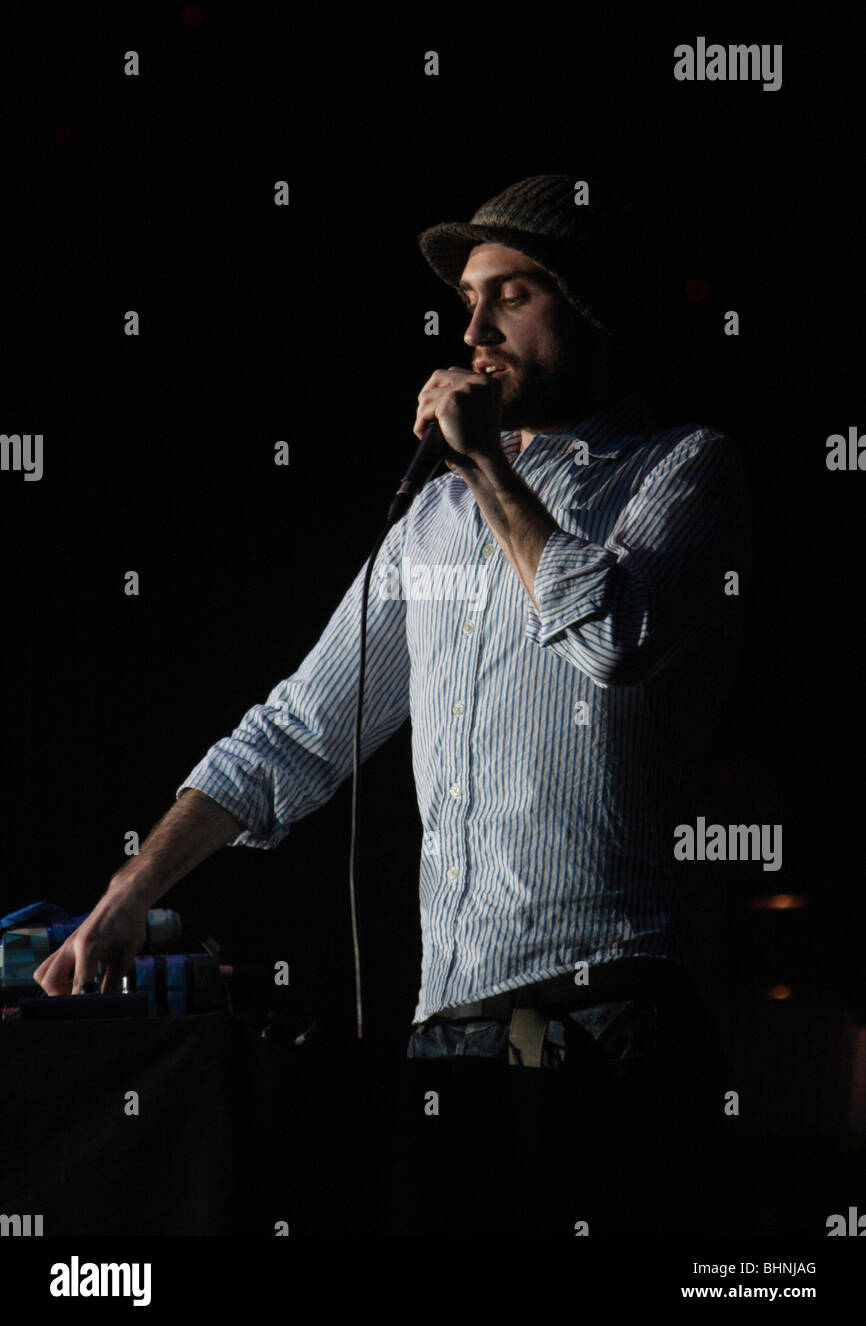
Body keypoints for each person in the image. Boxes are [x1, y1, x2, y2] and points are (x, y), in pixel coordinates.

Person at [35, 174, 751, 1236]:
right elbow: (293, 731)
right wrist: (130, 891)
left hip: (612, 1016)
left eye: (510, 293)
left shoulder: (682, 468)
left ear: (594, 307)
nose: (472, 329)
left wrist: (490, 466)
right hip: (450, 1028)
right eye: (468, 298)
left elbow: (612, 636)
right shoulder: (437, 525)